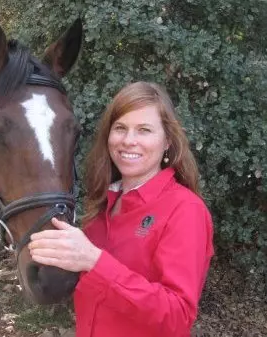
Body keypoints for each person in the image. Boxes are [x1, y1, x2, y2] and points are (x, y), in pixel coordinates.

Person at [28, 81, 214, 337]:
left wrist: (94, 262)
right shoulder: (103, 203)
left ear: (168, 140)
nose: (129, 141)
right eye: (120, 128)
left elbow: (177, 316)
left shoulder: (185, 210)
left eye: (144, 130)